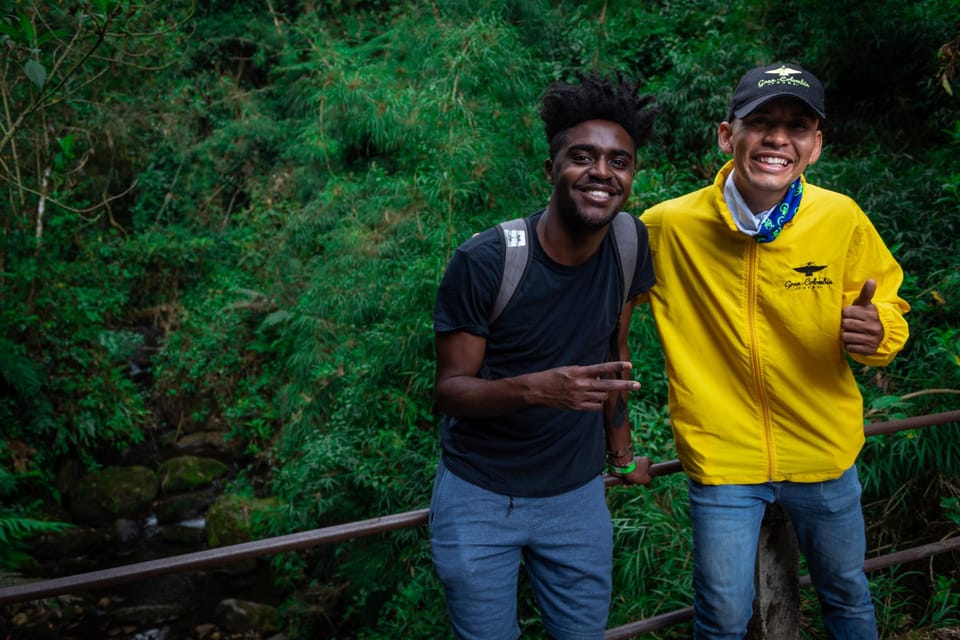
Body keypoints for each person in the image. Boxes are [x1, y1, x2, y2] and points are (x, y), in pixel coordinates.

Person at [639, 63, 910, 638]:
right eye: (760, 122)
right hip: (723, 461)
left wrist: (879, 333)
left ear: (815, 145)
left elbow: (887, 305)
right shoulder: (668, 226)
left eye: (797, 125)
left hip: (824, 452)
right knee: (721, 618)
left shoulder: (840, 218)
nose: (777, 139)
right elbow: (595, 297)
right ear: (726, 134)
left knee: (846, 595)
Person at [429, 73, 658, 640]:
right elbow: (449, 390)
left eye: (619, 161)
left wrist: (623, 456)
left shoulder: (630, 243)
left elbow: (615, 351)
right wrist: (537, 388)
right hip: (479, 497)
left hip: (577, 498)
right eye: (583, 157)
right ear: (550, 170)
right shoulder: (485, 261)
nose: (602, 172)